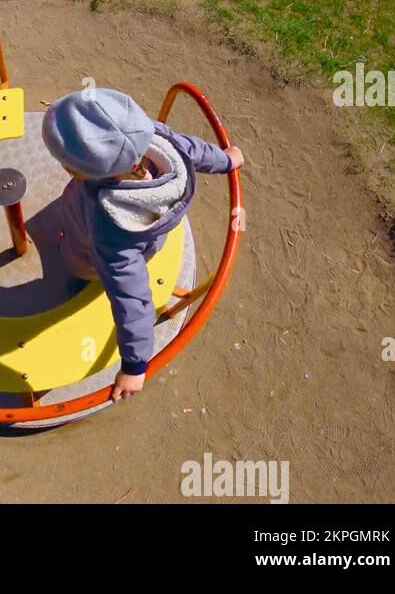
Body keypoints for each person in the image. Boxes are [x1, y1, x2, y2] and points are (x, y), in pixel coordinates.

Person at [42, 88, 244, 402]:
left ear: (76, 172)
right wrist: (226, 160)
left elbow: (132, 297)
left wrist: (136, 365)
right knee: (71, 224)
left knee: (76, 264)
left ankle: (77, 281)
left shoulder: (113, 229)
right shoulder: (155, 139)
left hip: (85, 250)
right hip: (100, 218)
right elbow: (193, 149)